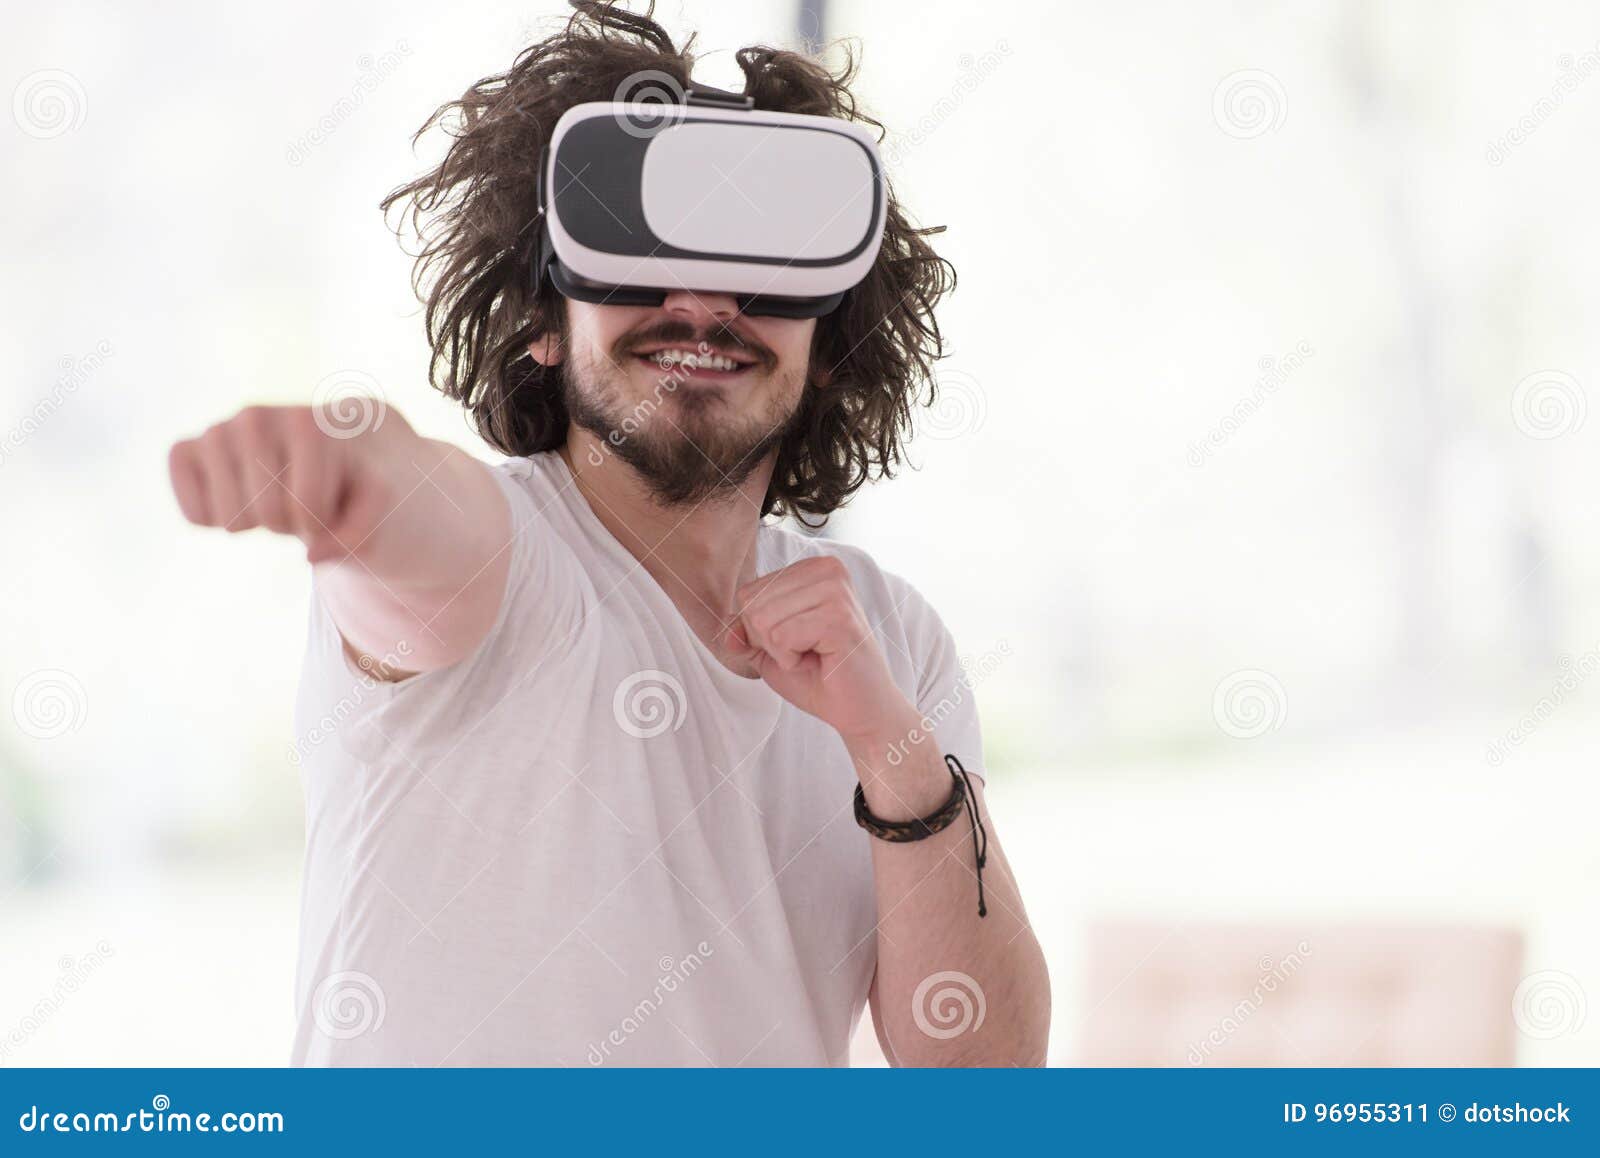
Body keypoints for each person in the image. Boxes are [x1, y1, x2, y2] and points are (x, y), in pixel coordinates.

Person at [166, 0, 1049, 1066]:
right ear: (543, 319)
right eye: (635, 250)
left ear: (828, 341)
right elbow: (420, 526)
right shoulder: (508, 558)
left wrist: (892, 752)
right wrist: (357, 471)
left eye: (762, 263)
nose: (700, 301)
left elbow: (982, 1084)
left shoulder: (892, 638)